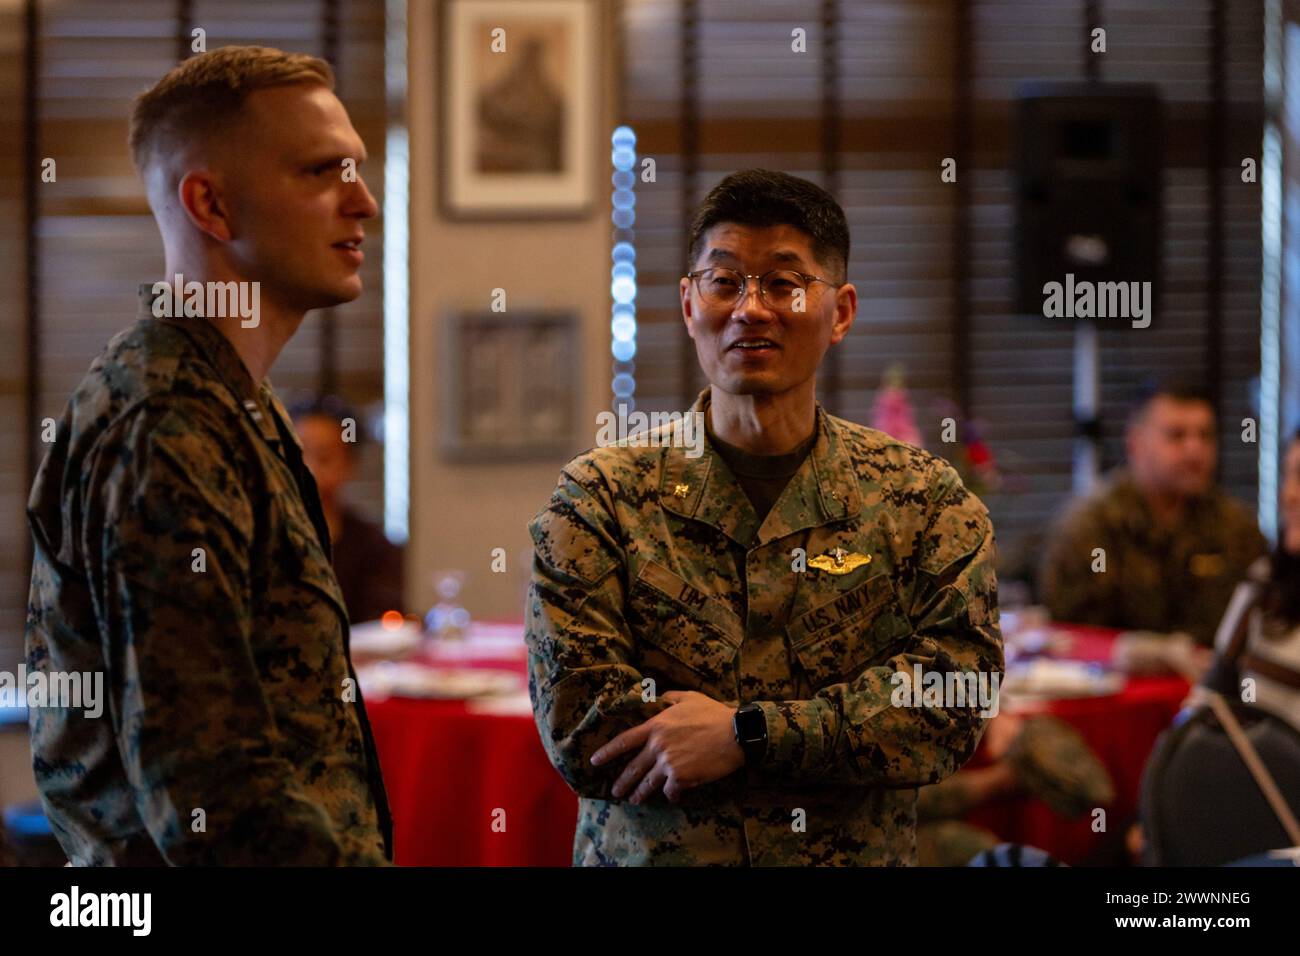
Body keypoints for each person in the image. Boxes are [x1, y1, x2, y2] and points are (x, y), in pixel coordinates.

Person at [525, 169, 1003, 866]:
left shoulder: (922, 500)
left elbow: (952, 705)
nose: (751, 308)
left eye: (783, 284)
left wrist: (746, 734)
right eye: (725, 282)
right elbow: (584, 729)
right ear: (689, 304)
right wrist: (837, 735)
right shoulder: (600, 499)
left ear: (840, 312)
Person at [24, 46, 391, 865]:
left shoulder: (230, 398)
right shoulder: (166, 421)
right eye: (322, 171)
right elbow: (215, 800)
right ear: (212, 206)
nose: (363, 201)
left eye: (356, 169)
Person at [1039, 382, 1267, 646]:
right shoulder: (1089, 527)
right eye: (1176, 435)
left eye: (1205, 435)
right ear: (1135, 443)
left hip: (1209, 684)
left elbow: (1255, 631)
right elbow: (1068, 640)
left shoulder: (1237, 528)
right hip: (1114, 684)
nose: (1194, 450)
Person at [1200, 429, 1300, 731]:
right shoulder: (1265, 581)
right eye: (1287, 476)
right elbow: (1206, 704)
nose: (1289, 494)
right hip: (1252, 772)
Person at [290, 396, 405, 623]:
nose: (309, 469)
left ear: (349, 464)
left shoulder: (371, 544)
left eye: (323, 458)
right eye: (298, 455)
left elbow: (383, 621)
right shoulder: (264, 534)